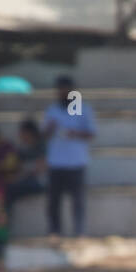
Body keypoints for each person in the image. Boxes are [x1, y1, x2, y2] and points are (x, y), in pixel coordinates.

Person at [43, 75, 97, 238]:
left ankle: (79, 232)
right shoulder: (52, 110)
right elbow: (43, 135)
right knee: (54, 201)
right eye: (61, 89)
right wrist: (50, 129)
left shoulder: (83, 109)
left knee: (78, 201)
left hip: (76, 161)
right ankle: (54, 231)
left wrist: (75, 133)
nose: (63, 92)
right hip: (56, 162)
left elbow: (91, 133)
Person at [5, 119, 46, 211]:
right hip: (26, 179)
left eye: (22, 133)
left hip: (40, 181)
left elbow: (41, 167)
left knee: (11, 188)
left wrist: (19, 176)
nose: (20, 135)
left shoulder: (42, 146)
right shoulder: (22, 148)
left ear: (29, 133)